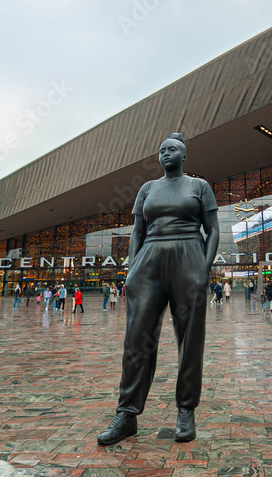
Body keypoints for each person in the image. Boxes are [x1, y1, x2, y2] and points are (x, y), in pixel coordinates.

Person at [98, 133, 219, 447]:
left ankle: (186, 411)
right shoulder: (147, 189)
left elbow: (214, 230)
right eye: (163, 149)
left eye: (173, 149)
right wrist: (132, 268)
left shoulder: (199, 186)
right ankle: (127, 414)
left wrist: (204, 269)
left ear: (184, 155)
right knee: (137, 338)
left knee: (190, 338)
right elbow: (137, 231)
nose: (167, 153)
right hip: (149, 261)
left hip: (189, 256)